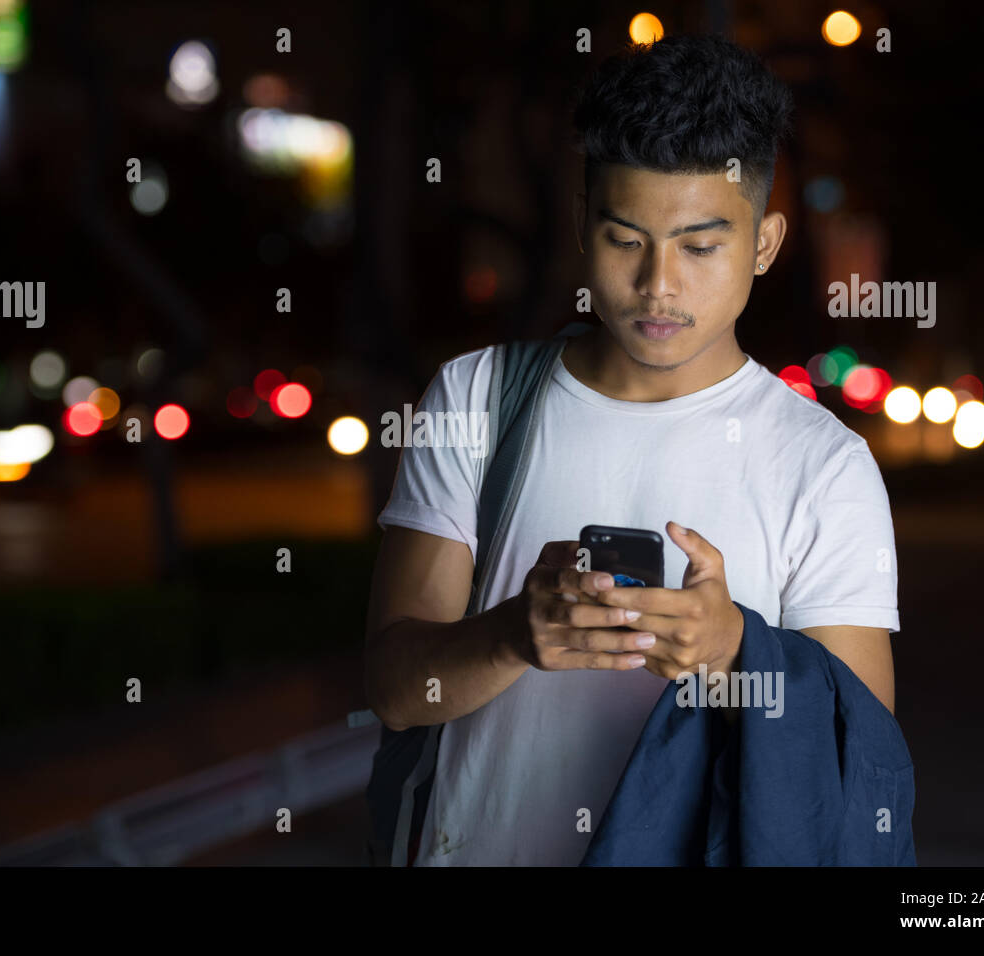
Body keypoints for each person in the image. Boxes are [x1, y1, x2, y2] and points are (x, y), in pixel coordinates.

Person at [363, 34, 900, 866]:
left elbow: (854, 767)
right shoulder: (477, 398)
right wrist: (513, 635)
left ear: (763, 242)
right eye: (626, 239)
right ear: (582, 225)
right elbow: (397, 691)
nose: (658, 284)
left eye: (699, 246)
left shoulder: (825, 467)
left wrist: (731, 652)